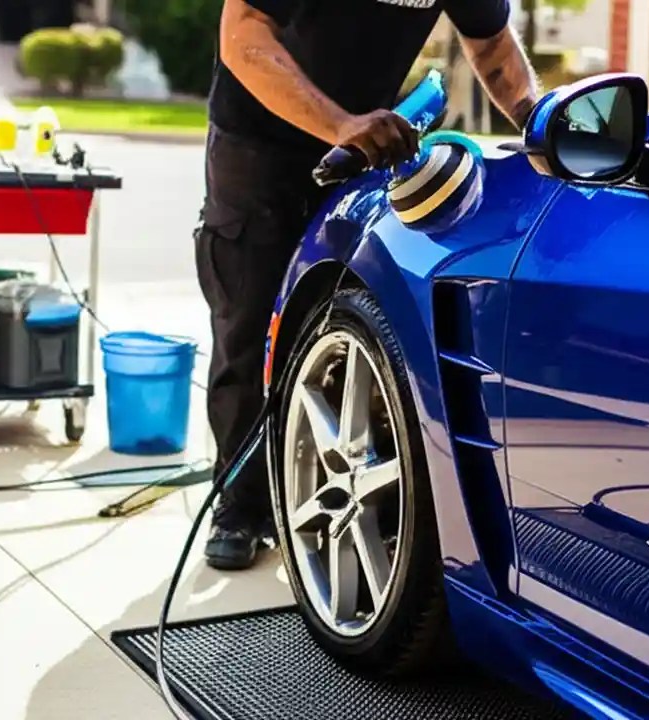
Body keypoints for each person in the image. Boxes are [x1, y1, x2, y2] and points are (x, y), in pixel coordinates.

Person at [199, 0, 540, 570]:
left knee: (345, 317)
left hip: (362, 146)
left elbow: (493, 47)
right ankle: (241, 505)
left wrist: (542, 124)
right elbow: (243, 35)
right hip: (259, 146)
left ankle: (326, 488)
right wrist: (339, 124)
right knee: (249, 325)